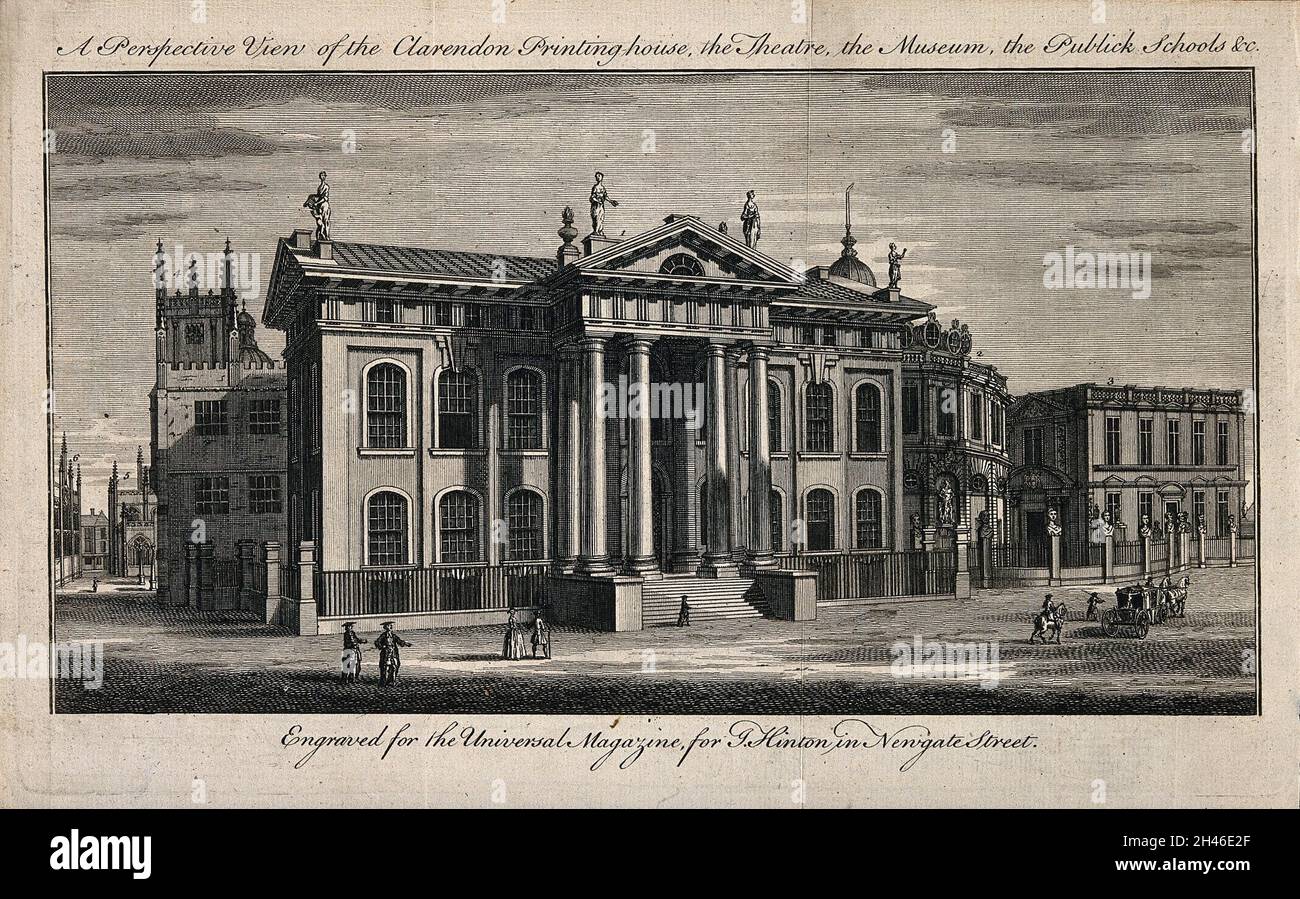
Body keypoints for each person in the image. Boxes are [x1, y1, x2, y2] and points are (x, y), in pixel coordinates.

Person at [374, 621, 411, 686]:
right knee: (385, 668)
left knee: (395, 666)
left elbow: (399, 641)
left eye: (391, 625)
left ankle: (392, 681)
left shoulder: (393, 635)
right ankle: (384, 682)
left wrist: (405, 643)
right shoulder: (383, 635)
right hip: (386, 653)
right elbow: (377, 642)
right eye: (389, 625)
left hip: (393, 653)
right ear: (385, 627)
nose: (391, 627)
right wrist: (382, 646)